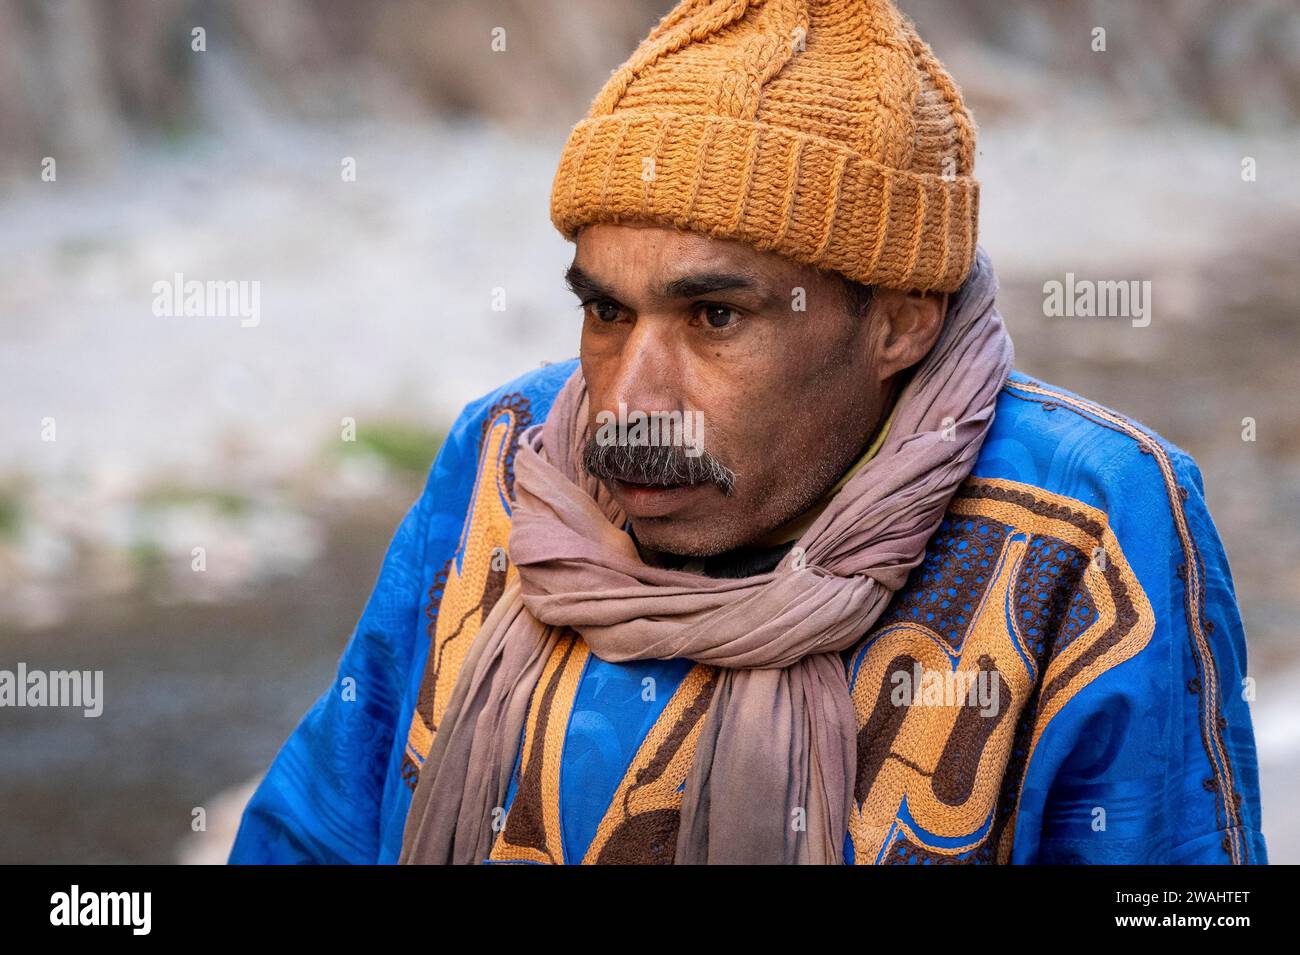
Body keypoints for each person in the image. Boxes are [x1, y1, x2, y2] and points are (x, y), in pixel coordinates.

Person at [229, 0, 1267, 864]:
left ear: (899, 319)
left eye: (714, 317)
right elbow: (316, 827)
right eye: (605, 311)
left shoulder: (1084, 526)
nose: (628, 400)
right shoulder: (504, 454)